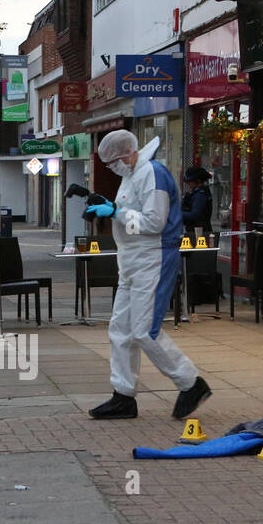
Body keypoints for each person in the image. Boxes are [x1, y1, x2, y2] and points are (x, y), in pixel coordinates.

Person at [84, 130, 210, 420]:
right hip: (132, 262)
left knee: (144, 330)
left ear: (128, 153)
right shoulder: (132, 175)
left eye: (115, 161)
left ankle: (190, 382)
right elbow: (132, 213)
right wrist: (110, 208)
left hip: (153, 258)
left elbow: (154, 222)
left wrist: (114, 211)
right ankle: (123, 396)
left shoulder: (153, 173)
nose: (113, 167)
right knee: (120, 330)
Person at [180, 166, 213, 245]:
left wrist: (177, 214)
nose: (188, 184)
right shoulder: (195, 193)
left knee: (197, 257)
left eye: (189, 181)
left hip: (200, 235)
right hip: (194, 233)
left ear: (197, 181)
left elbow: (195, 215)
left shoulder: (200, 195)